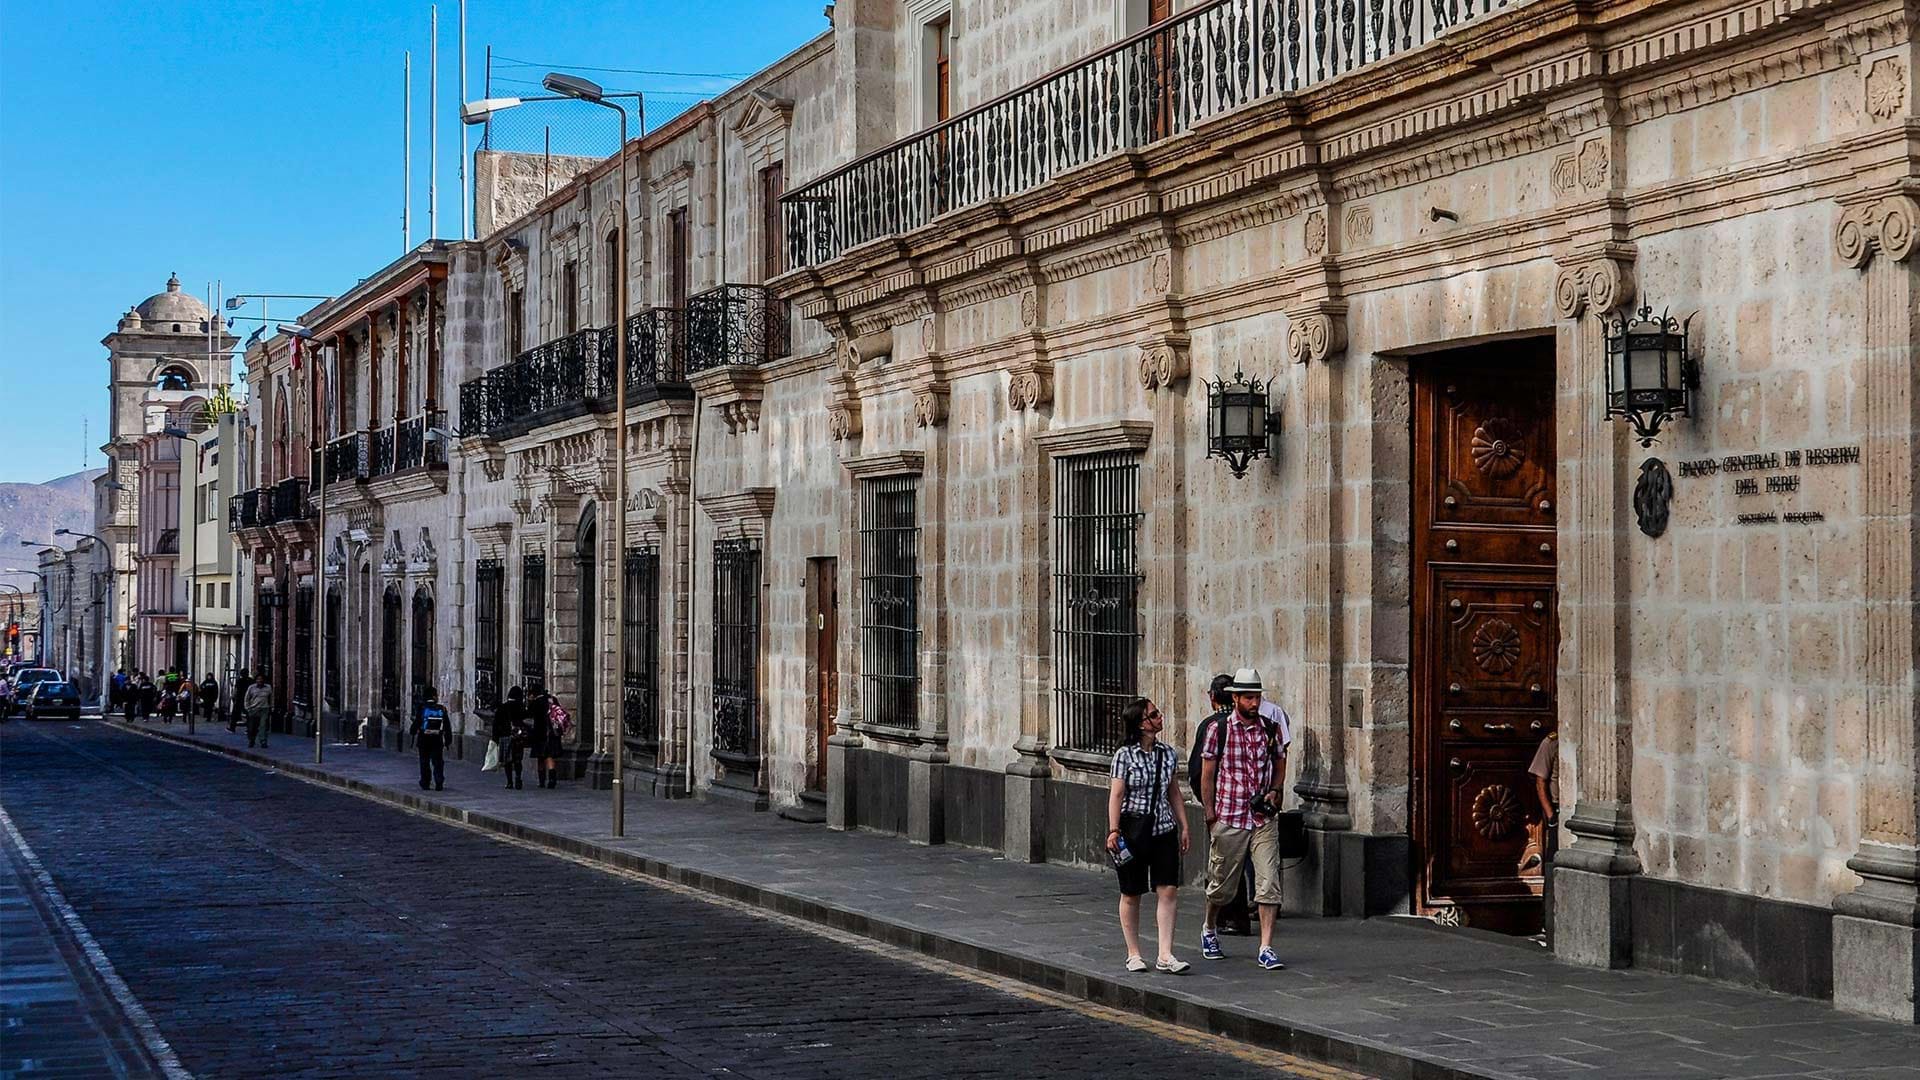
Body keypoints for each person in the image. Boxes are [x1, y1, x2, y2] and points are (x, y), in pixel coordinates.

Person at [1198, 667, 1290, 971]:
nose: (1254, 703)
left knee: (1268, 883)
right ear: (1235, 698)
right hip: (1230, 816)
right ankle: (1209, 927)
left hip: (1263, 818)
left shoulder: (1270, 727)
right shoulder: (1218, 730)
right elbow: (1207, 774)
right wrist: (1210, 814)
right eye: (1248, 697)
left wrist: (1276, 790)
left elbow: (1280, 759)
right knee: (1222, 884)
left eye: (1257, 697)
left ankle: (1266, 946)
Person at [1106, 697, 1191, 974]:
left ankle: (1165, 954)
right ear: (1142, 724)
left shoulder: (1167, 753)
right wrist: (1114, 830)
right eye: (1154, 714)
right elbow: (1116, 795)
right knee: (1131, 892)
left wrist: (1184, 825)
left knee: (1168, 888)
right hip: (1133, 830)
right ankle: (1134, 953)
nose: (1160, 717)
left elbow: (1173, 791)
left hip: (1163, 829)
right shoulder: (1124, 756)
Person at [1188, 674, 1253, 936]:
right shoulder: (1247, 723)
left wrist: (1208, 807)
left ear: (1212, 697)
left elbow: (1197, 772)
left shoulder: (1211, 726)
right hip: (1249, 806)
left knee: (1223, 864)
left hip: (1222, 807)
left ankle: (1230, 918)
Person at [414, 687, 451, 791]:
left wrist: (413, 731)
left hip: (424, 739)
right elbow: (447, 726)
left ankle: (425, 782)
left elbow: (417, 722)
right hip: (437, 739)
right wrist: (448, 740)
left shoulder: (422, 708)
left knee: (424, 761)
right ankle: (439, 781)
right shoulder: (442, 709)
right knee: (438, 761)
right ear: (434, 696)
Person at [492, 687, 527, 791]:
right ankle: (518, 777)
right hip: (517, 736)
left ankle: (509, 781)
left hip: (504, 736)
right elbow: (525, 718)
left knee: (507, 760)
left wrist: (495, 737)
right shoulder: (520, 707)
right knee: (517, 759)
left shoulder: (502, 707)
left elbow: (496, 724)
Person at [530, 690, 563, 789]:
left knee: (541, 757)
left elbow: (530, 714)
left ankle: (542, 781)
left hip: (540, 733)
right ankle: (552, 779)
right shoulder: (552, 700)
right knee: (549, 756)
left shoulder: (536, 702)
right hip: (552, 733)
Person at [243, 672, 273, 748]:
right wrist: (247, 708)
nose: (260, 681)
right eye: (258, 679)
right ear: (256, 680)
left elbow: (271, 698)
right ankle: (251, 740)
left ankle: (263, 741)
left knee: (263, 726)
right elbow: (247, 699)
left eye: (261, 679)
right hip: (254, 709)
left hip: (264, 709)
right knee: (252, 727)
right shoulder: (251, 688)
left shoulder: (268, 688)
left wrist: (271, 707)